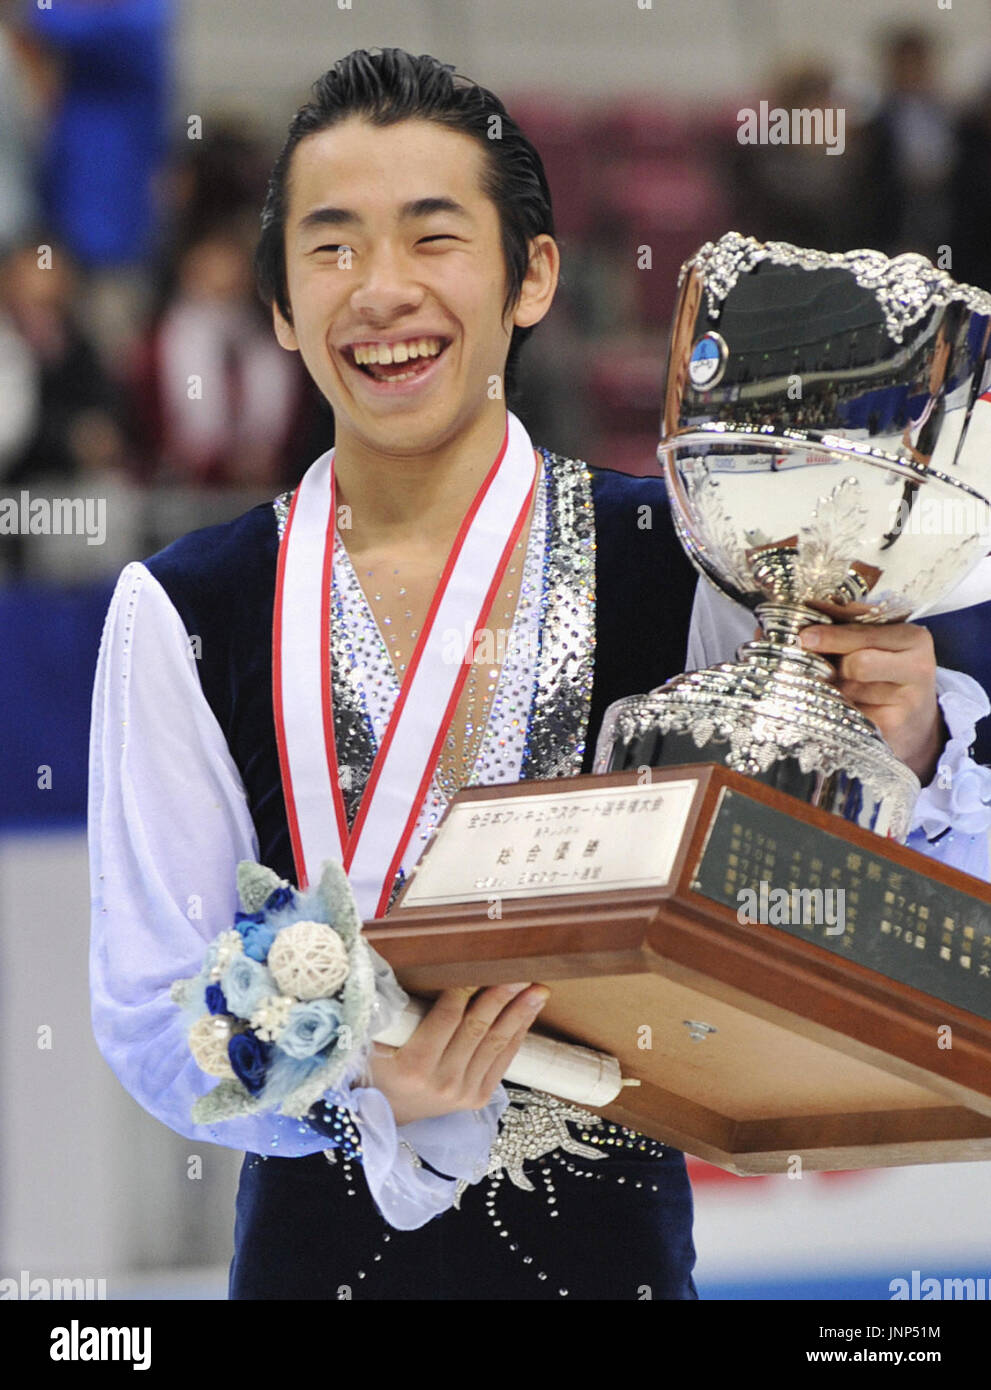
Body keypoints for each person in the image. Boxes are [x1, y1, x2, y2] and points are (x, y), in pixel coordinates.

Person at [88, 48, 991, 1301]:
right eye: (333, 247)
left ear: (532, 276)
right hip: (311, 1266)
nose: (382, 291)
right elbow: (147, 1005)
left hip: (610, 1267)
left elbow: (855, 936)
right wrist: (355, 1075)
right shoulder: (183, 610)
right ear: (282, 309)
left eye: (433, 237)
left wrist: (896, 755)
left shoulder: (690, 566)